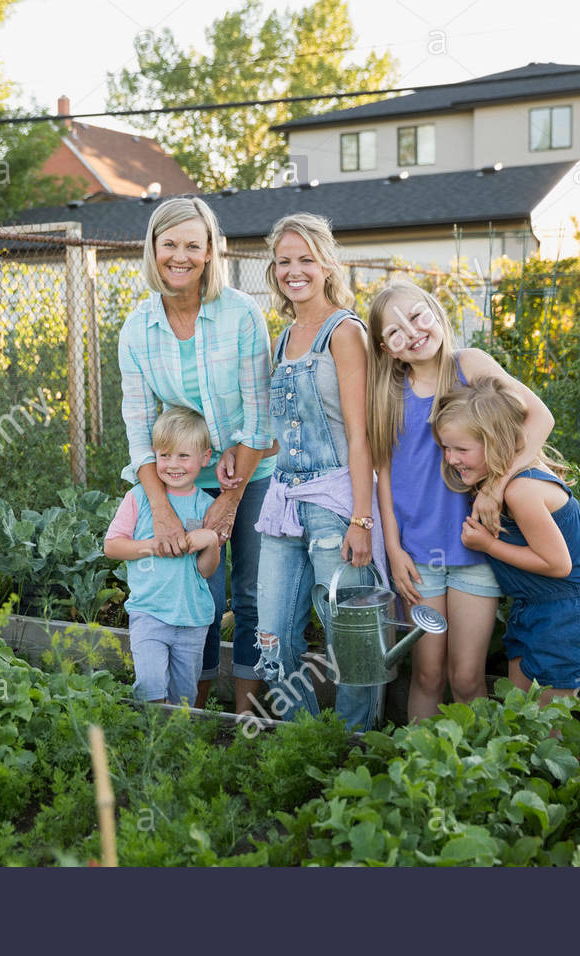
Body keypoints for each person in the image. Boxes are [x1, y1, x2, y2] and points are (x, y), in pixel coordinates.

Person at [366, 280, 555, 721]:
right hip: (418, 556)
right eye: (395, 332)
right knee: (427, 675)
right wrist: (393, 552)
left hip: (476, 550)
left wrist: (494, 487)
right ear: (387, 348)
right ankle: (420, 778)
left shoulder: (469, 365)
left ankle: (481, 774)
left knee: (467, 677)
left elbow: (540, 417)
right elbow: (385, 477)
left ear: (435, 310)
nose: (411, 332)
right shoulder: (388, 394)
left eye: (416, 316)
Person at [118, 196, 276, 714]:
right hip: (183, 473)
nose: (179, 256)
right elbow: (139, 429)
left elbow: (259, 417)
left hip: (251, 470)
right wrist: (160, 507)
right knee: (198, 588)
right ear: (153, 249)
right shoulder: (138, 328)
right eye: (169, 244)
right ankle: (194, 710)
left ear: (210, 251)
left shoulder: (240, 314)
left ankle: (246, 714)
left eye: (192, 244)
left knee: (252, 594)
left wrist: (229, 500)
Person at [229, 212, 387, 726]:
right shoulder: (284, 337)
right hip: (284, 504)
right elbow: (282, 433)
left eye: (305, 260)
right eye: (283, 262)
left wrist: (362, 519)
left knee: (352, 639)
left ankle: (354, 745)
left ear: (326, 265)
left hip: (336, 506)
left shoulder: (345, 332)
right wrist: (237, 454)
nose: (293, 271)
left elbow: (361, 435)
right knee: (272, 637)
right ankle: (304, 742)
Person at [433, 377, 580, 704]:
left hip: (565, 613)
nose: (450, 458)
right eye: (446, 447)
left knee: (549, 727)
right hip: (532, 607)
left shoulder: (521, 490)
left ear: (496, 443)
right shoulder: (505, 484)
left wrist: (488, 546)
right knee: (519, 716)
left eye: (461, 449)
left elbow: (558, 564)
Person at [104, 407, 222, 705]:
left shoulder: (207, 505)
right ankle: (150, 743)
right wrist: (150, 546)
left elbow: (206, 571)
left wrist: (211, 541)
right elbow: (112, 546)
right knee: (150, 685)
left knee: (184, 697)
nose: (173, 465)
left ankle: (176, 746)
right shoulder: (139, 498)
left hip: (192, 619)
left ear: (204, 458)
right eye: (165, 455)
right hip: (149, 613)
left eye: (184, 456)